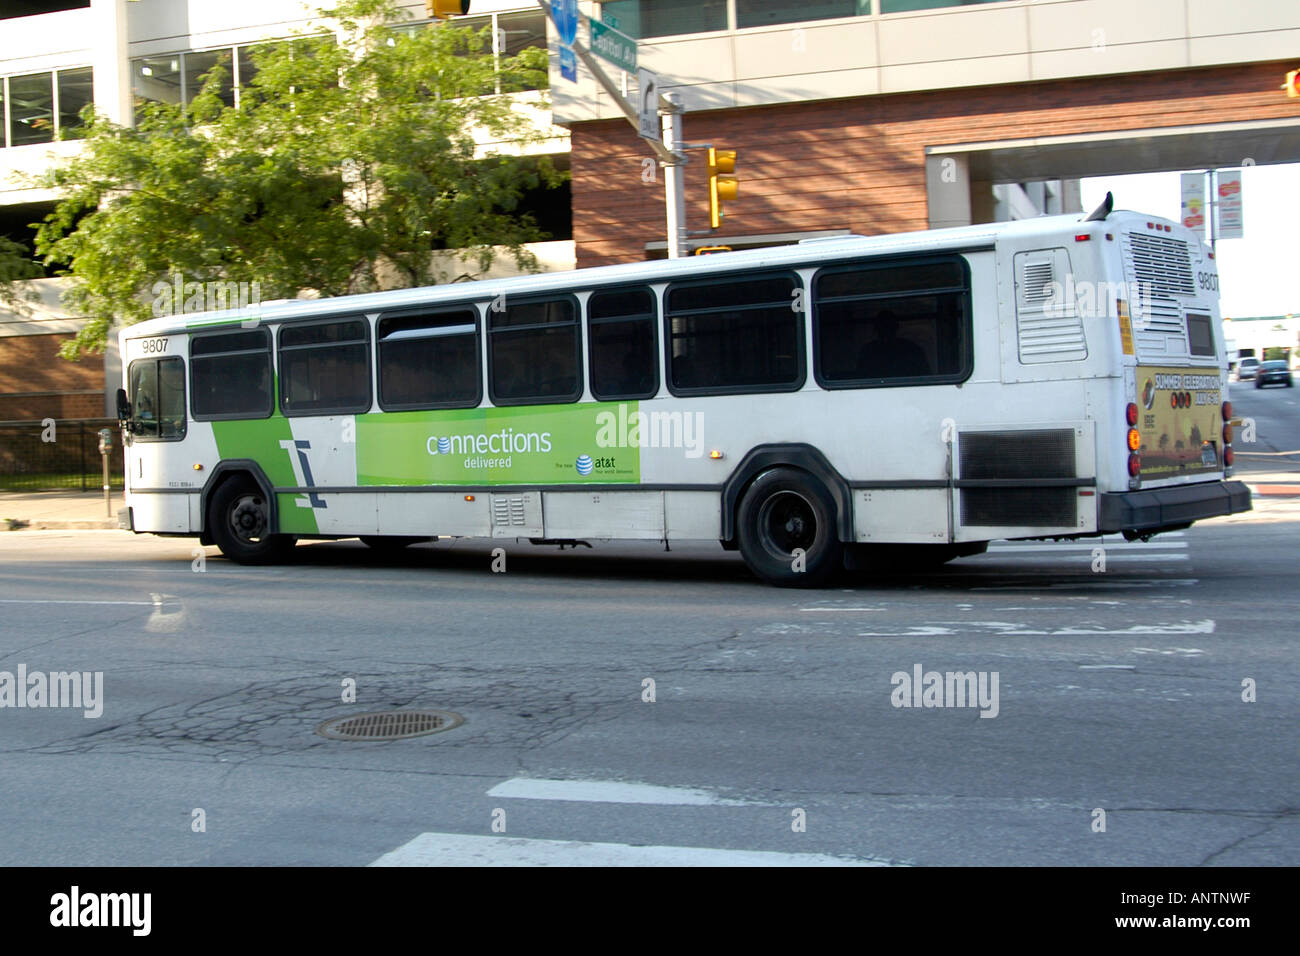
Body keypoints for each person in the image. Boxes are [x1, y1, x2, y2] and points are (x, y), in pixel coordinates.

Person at [857, 310, 930, 379]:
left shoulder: (911, 349)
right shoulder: (868, 350)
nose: (885, 331)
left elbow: (923, 375)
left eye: (888, 327)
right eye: (882, 327)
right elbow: (861, 376)